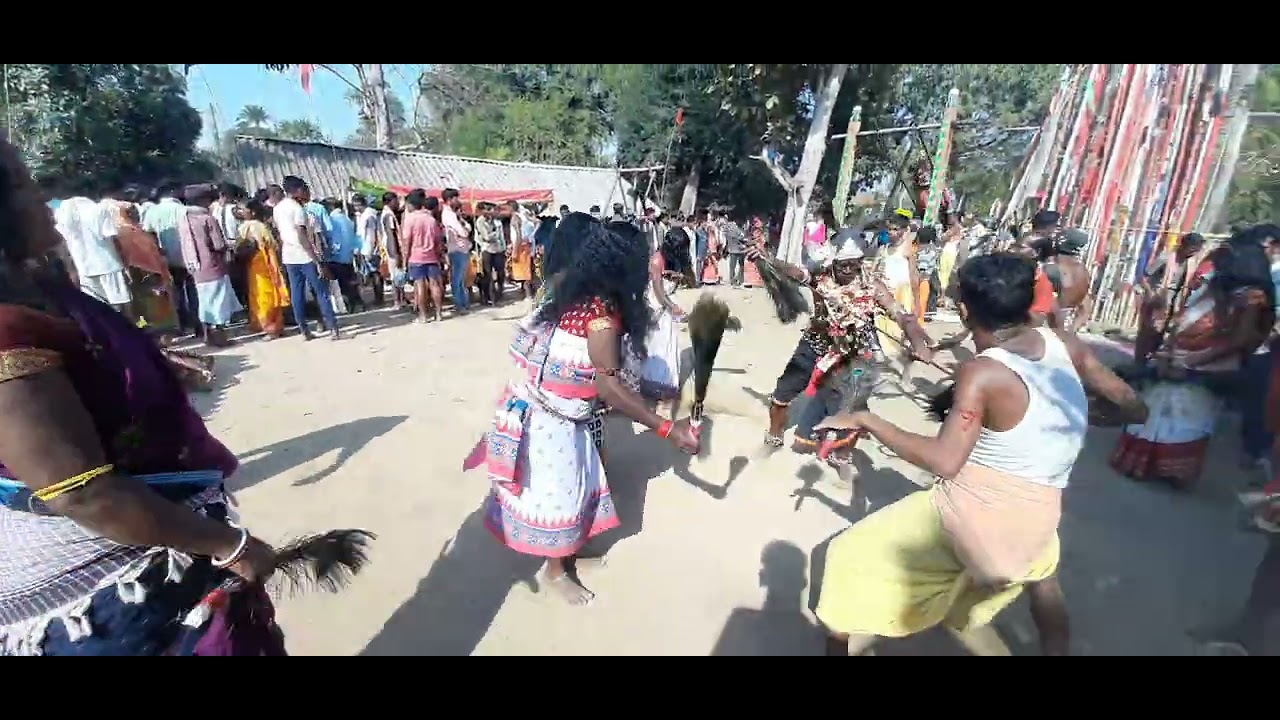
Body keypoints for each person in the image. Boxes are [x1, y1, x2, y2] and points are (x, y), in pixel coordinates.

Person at [0, 136, 283, 656]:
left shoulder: (38, 289)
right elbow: (79, 491)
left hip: (162, 544)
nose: (43, 198)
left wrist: (152, 369)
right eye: (21, 183)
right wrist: (230, 545)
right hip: (111, 593)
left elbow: (92, 364)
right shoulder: (4, 330)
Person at [811, 253, 1148, 657]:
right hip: (1039, 519)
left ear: (965, 310)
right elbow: (1133, 408)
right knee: (1044, 576)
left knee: (847, 555)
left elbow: (944, 462)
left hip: (976, 519)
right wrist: (1066, 418)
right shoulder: (1067, 346)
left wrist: (868, 419)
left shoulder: (983, 372)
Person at [482, 213, 700, 606]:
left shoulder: (576, 294)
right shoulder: (601, 317)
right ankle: (555, 571)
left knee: (580, 487)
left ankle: (568, 554)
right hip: (555, 421)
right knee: (563, 495)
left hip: (560, 413)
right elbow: (609, 387)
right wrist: (666, 427)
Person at [748, 227, 934, 454]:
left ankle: (843, 447)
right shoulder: (819, 278)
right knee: (783, 392)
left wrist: (917, 341)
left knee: (854, 398)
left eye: (853, 263)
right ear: (832, 263)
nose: (848, 269)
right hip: (817, 341)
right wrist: (767, 259)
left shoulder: (872, 285)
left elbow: (901, 315)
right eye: (842, 264)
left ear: (860, 262)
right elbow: (795, 273)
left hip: (854, 349)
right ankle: (775, 432)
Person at [1111, 236, 1276, 490]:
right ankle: (1142, 465)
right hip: (1179, 359)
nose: (1217, 262)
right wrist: (1168, 350)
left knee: (1185, 419)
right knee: (1157, 410)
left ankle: (1173, 472)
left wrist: (1194, 360)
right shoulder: (1216, 288)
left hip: (1207, 368)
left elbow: (1240, 341)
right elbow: (1183, 319)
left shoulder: (1252, 299)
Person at [274, 176, 340, 341]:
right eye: (304, 189)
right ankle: (333, 329)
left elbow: (279, 232)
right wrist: (317, 260)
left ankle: (304, 331)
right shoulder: (298, 209)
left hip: (289, 256)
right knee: (321, 292)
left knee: (297, 293)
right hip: (305, 256)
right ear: (297, 190)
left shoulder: (278, 208)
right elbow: (302, 236)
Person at [177, 184, 241, 348]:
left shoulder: (184, 219)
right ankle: (220, 338)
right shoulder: (207, 218)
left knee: (205, 303)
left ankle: (207, 337)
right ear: (202, 200)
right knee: (218, 302)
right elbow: (218, 244)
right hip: (212, 266)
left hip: (195, 268)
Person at [54, 197, 132, 313]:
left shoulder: (63, 220)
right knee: (120, 302)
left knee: (97, 305)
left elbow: (63, 245)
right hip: (108, 264)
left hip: (84, 268)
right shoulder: (97, 212)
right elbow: (112, 233)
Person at [641, 224, 691, 406]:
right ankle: (655, 388)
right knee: (658, 347)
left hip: (665, 308)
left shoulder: (668, 260)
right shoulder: (656, 261)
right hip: (657, 308)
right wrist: (673, 307)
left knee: (670, 346)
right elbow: (659, 292)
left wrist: (674, 276)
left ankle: (665, 385)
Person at [142, 182, 199, 336]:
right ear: (173, 191)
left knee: (175, 291)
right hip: (187, 256)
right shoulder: (183, 210)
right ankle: (198, 325)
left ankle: (180, 325)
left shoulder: (152, 212)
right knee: (193, 290)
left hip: (165, 259)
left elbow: (148, 234)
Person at [237, 200, 291, 339]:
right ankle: (276, 325)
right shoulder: (261, 226)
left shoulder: (252, 226)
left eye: (244, 209)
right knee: (270, 294)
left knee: (264, 296)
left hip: (260, 266)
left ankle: (271, 328)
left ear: (252, 212)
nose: (241, 212)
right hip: (264, 265)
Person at [1032, 228, 1093, 333]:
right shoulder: (1084, 273)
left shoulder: (1051, 270)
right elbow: (1085, 310)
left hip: (1040, 328)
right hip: (1061, 332)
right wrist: (1070, 332)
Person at [401, 191, 445, 324]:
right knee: (435, 285)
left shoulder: (410, 219)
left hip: (416, 257)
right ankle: (438, 314)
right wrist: (438, 256)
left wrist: (405, 260)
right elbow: (438, 241)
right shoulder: (431, 219)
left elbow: (406, 242)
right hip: (431, 256)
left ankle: (423, 316)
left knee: (420, 286)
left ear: (412, 204)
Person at [323, 197, 364, 314]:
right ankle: (357, 303)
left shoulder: (332, 220)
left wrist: (329, 253)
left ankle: (348, 306)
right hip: (348, 255)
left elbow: (334, 239)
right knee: (350, 282)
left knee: (341, 284)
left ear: (330, 207)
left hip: (336, 257)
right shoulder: (347, 220)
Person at [441, 188, 472, 315]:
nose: (458, 201)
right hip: (457, 249)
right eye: (456, 198)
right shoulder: (448, 215)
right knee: (457, 280)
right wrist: (464, 228)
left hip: (461, 249)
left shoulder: (454, 215)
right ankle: (461, 305)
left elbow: (467, 228)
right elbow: (464, 232)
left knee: (459, 279)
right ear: (449, 200)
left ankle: (463, 303)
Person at [352, 195, 384, 307]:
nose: (356, 208)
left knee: (375, 274)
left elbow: (371, 235)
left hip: (370, 249)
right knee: (373, 274)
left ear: (362, 204)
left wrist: (369, 251)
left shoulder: (369, 215)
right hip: (366, 248)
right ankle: (378, 297)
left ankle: (379, 298)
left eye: (357, 205)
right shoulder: (364, 215)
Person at [379, 192, 408, 312]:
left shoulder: (387, 213)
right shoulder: (388, 216)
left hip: (392, 249)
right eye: (396, 201)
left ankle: (401, 300)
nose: (397, 203)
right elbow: (391, 235)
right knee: (395, 276)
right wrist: (395, 254)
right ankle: (397, 301)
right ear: (390, 201)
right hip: (393, 250)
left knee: (398, 276)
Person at [475, 202, 507, 306]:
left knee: (501, 272)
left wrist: (504, 248)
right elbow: (486, 237)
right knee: (487, 275)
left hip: (498, 249)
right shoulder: (480, 221)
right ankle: (489, 297)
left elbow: (501, 237)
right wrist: (495, 234)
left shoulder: (497, 222)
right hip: (486, 250)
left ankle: (499, 292)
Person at [505, 201, 536, 301]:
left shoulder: (515, 218)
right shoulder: (521, 216)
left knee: (524, 272)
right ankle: (526, 293)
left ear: (510, 208)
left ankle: (528, 295)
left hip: (520, 247)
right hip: (522, 245)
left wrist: (515, 250)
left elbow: (518, 235)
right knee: (524, 270)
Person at [915, 226, 942, 321]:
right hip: (927, 278)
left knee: (921, 302)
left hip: (922, 281)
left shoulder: (924, 252)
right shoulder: (931, 249)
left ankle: (920, 320)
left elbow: (922, 270)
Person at [722, 213, 747, 289]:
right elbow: (741, 237)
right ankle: (739, 279)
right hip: (739, 249)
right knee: (740, 266)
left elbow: (726, 235)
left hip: (733, 249)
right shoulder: (736, 228)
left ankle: (734, 280)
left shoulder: (729, 227)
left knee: (733, 266)